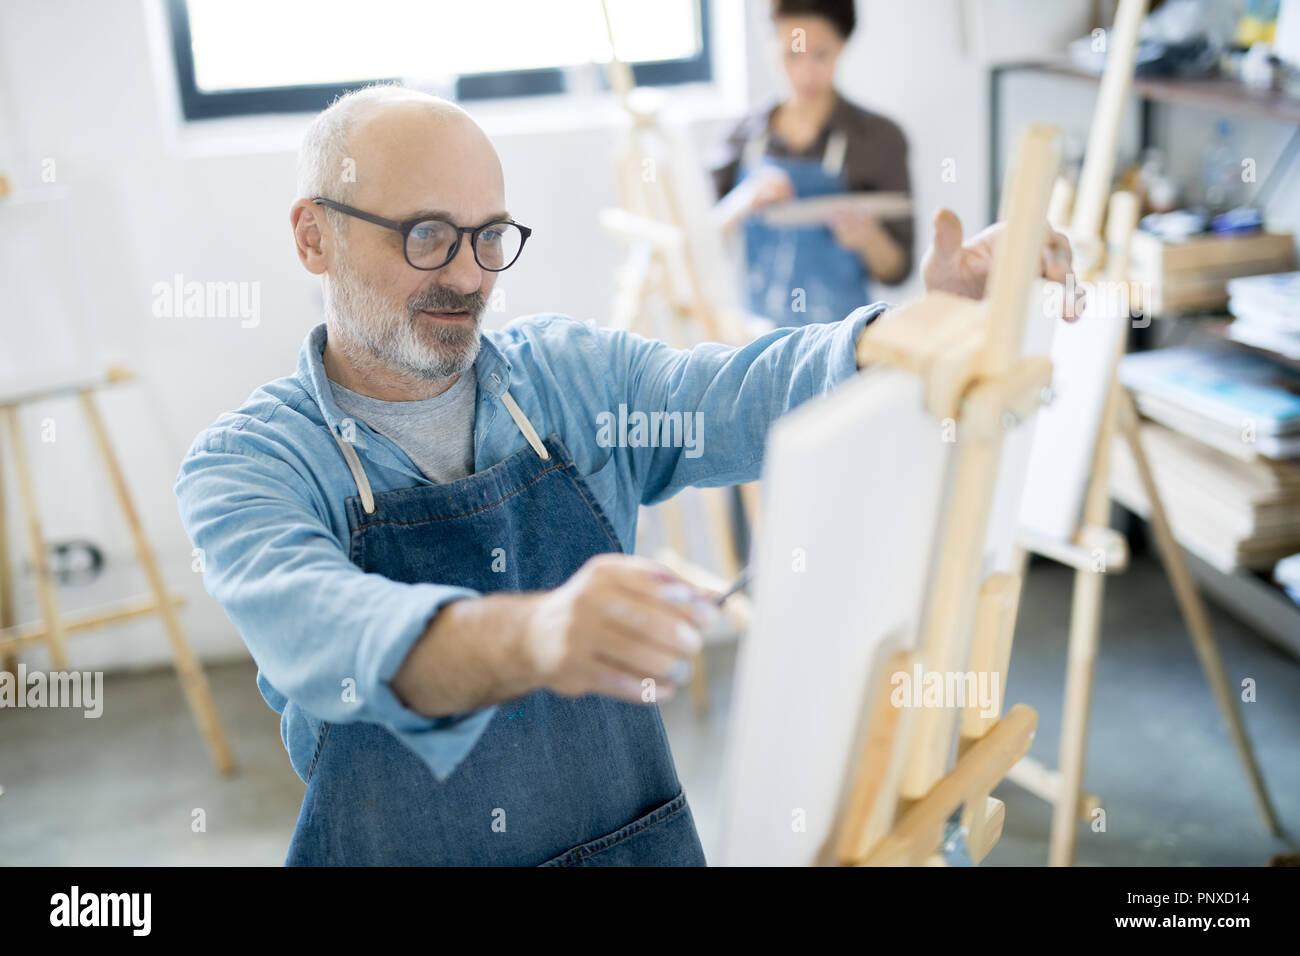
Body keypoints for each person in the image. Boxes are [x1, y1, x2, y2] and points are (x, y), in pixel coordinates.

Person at [173, 85, 1074, 866]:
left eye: (490, 237)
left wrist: (917, 336)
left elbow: (736, 392)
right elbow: (332, 631)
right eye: (427, 236)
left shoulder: (572, 379)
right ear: (313, 236)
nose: (465, 276)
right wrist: (537, 637)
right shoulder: (247, 466)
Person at [711, 0, 913, 326]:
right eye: (792, 54)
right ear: (769, 47)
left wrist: (870, 238)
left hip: (842, 347)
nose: (806, 73)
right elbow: (701, 245)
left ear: (843, 46)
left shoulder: (879, 139)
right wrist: (740, 202)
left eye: (821, 55)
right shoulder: (741, 136)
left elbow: (897, 270)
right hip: (756, 344)